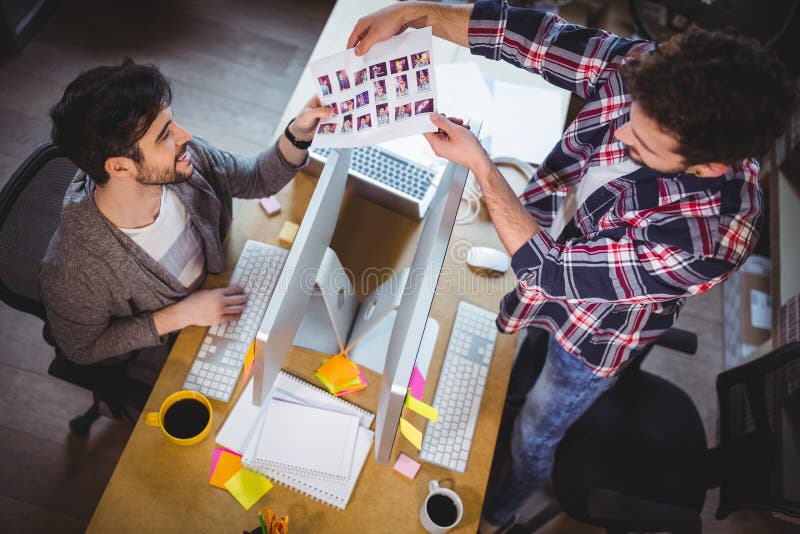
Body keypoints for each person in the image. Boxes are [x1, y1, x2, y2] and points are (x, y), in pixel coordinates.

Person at [348, 2, 797, 532]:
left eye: (643, 144)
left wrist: (481, 167)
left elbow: (551, 273)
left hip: (595, 333)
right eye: (630, 117)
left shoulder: (711, 236)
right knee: (516, 367)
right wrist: (416, 14)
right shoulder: (651, 76)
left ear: (709, 166)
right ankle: (506, 405)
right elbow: (531, 38)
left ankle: (496, 511)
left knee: (535, 432)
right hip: (553, 257)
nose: (620, 137)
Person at [41, 59, 333, 377]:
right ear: (120, 167)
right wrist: (181, 315)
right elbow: (81, 348)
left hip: (219, 284)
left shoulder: (185, 163)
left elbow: (255, 179)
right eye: (165, 135)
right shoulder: (73, 268)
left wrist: (299, 133)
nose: (185, 136)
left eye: (173, 123)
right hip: (167, 344)